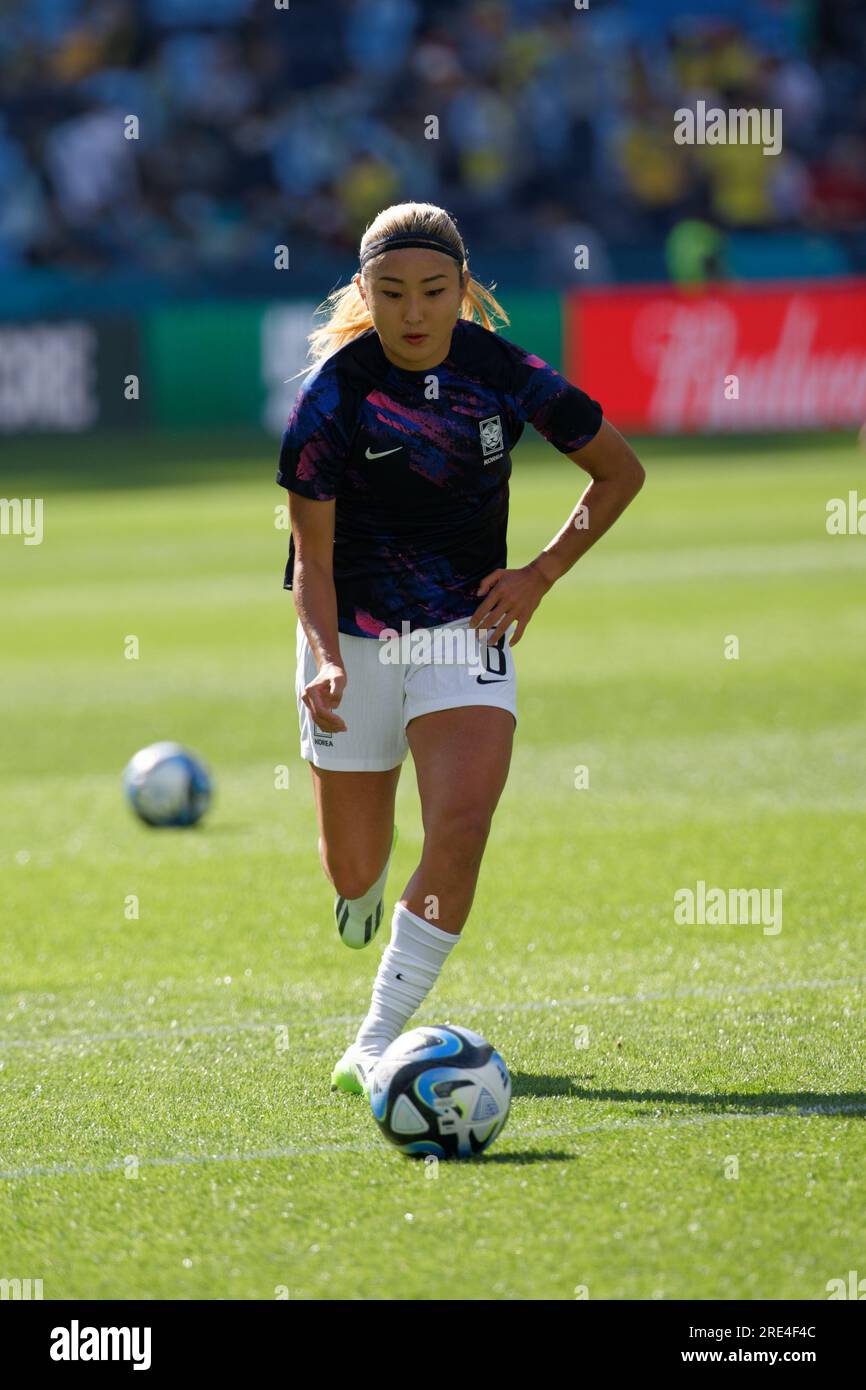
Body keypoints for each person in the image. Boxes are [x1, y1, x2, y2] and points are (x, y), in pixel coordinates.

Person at [276, 201, 645, 1095]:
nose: (414, 312)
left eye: (434, 291)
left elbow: (618, 471)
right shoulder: (330, 396)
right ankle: (362, 895)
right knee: (355, 867)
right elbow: (311, 563)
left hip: (463, 630)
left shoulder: (504, 371)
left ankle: (376, 1042)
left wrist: (541, 573)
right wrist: (327, 658)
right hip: (353, 637)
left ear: (464, 288)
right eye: (392, 292)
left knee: (463, 825)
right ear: (364, 291)